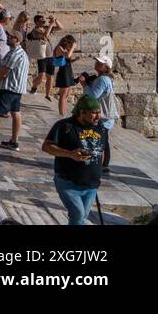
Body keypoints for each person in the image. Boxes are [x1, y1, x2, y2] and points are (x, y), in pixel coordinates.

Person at [42, 95, 109, 225]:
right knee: (78, 215)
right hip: (68, 182)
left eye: (99, 113)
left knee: (82, 218)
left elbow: (103, 149)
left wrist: (98, 172)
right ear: (82, 112)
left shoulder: (101, 128)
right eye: (94, 113)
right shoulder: (64, 126)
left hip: (91, 184)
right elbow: (46, 146)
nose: (98, 117)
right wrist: (69, 154)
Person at [79, 56, 118, 174]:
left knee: (100, 140)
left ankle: (101, 165)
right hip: (105, 116)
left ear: (106, 67)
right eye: (97, 61)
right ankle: (104, 164)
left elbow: (92, 96)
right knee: (104, 140)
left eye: (100, 63)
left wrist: (84, 85)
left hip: (101, 115)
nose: (97, 63)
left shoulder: (102, 80)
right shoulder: (106, 78)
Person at [0, 30, 29, 151]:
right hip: (15, 89)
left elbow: (5, 72)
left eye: (11, 37)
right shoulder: (15, 52)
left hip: (8, 87)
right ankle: (14, 141)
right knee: (15, 112)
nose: (8, 38)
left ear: (17, 40)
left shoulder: (16, 53)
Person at [27, 15, 61, 96]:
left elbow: (60, 27)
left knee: (50, 76)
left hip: (50, 55)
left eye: (43, 20)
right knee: (41, 75)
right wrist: (51, 25)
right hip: (42, 56)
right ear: (36, 22)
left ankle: (47, 94)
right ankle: (34, 87)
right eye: (40, 20)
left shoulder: (45, 28)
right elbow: (45, 35)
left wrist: (55, 20)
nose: (43, 22)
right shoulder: (34, 31)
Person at [49, 35, 78, 116]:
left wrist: (75, 59)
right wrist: (73, 47)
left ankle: (64, 112)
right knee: (63, 94)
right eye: (71, 44)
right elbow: (67, 56)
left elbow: (67, 60)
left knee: (67, 93)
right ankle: (62, 114)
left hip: (68, 71)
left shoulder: (65, 49)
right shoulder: (59, 48)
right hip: (63, 72)